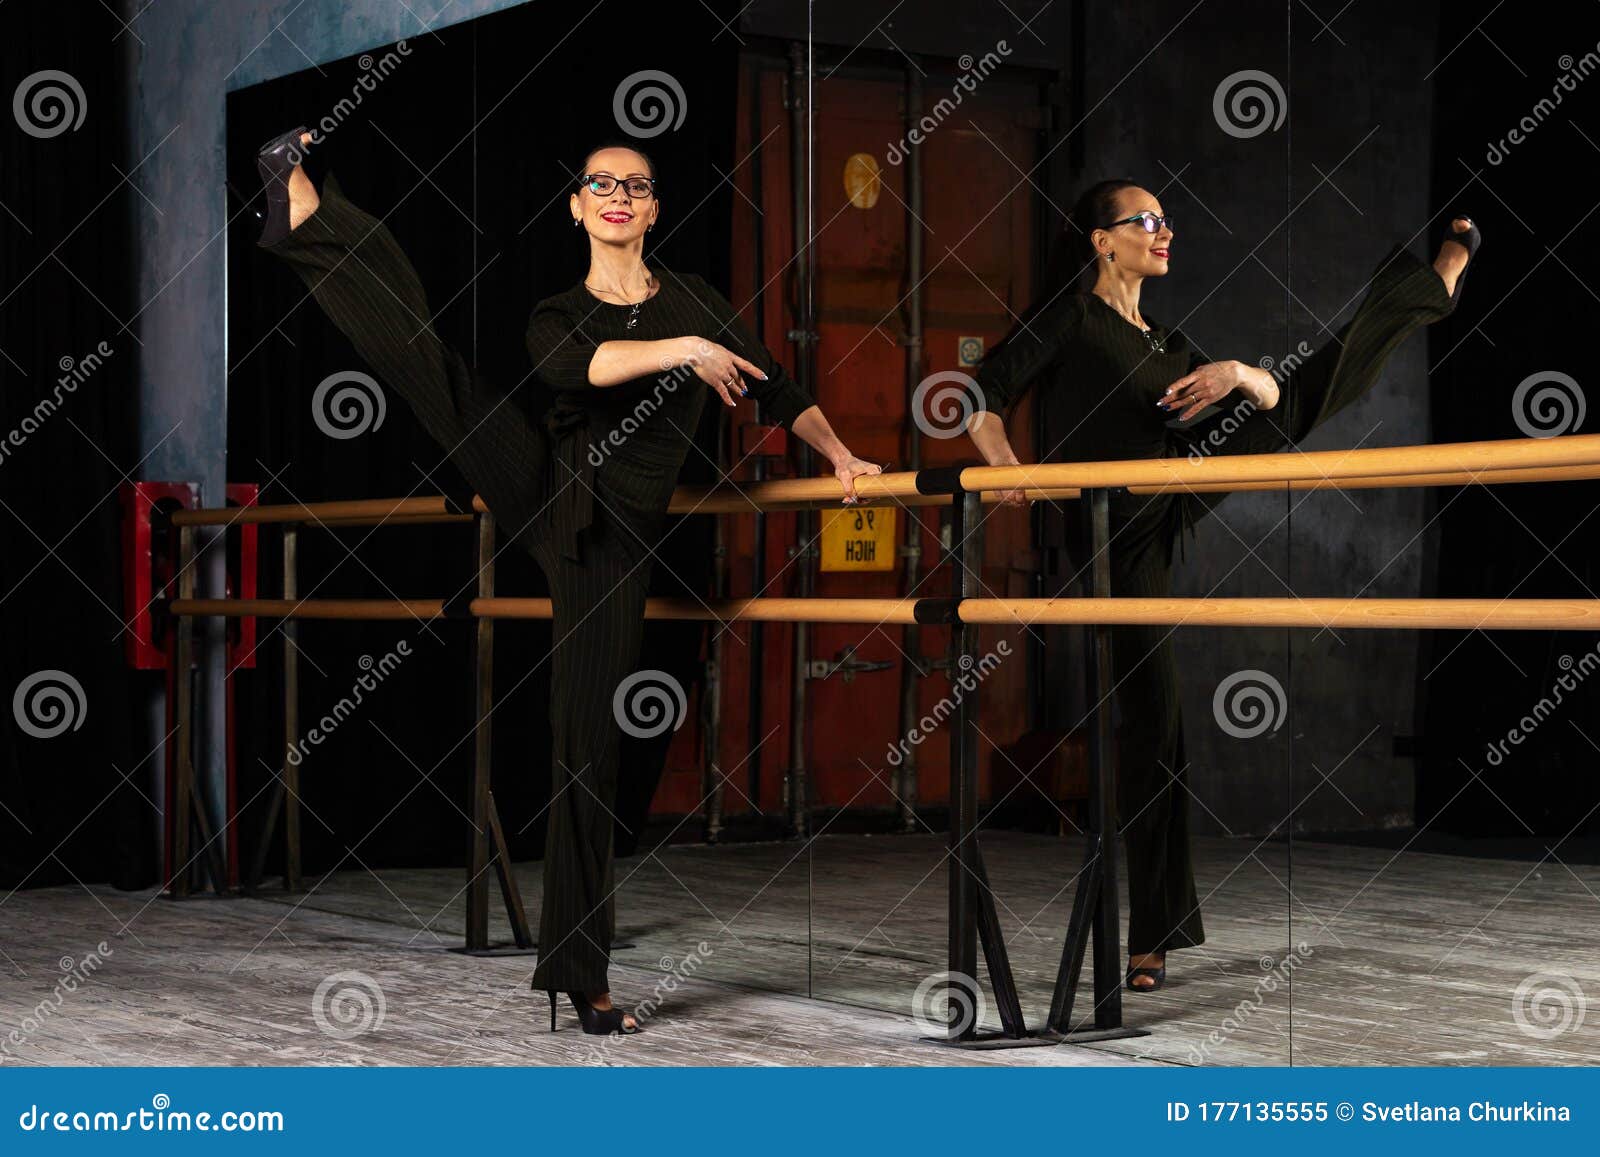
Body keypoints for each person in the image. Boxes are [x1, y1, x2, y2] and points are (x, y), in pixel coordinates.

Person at [252, 128, 880, 1034]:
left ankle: (578, 969)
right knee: (433, 367)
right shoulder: (558, 311)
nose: (618, 195)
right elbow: (579, 369)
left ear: (654, 209)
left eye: (637, 185)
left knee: (585, 746)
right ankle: (306, 208)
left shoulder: (697, 301)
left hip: (609, 542)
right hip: (549, 483)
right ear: (578, 206)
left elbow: (777, 386)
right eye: (600, 184)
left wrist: (840, 452)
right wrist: (681, 351)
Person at [962, 177, 1479, 993]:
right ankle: (1150, 935)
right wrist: (1004, 469)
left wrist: (1236, 373)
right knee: (1155, 727)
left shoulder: (1166, 342)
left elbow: (1276, 399)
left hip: (1166, 490)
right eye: (1148, 221)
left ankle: (1427, 291)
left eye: (1168, 220)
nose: (1166, 231)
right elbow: (981, 398)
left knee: (1294, 391)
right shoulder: (1072, 315)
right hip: (1108, 529)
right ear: (1103, 240)